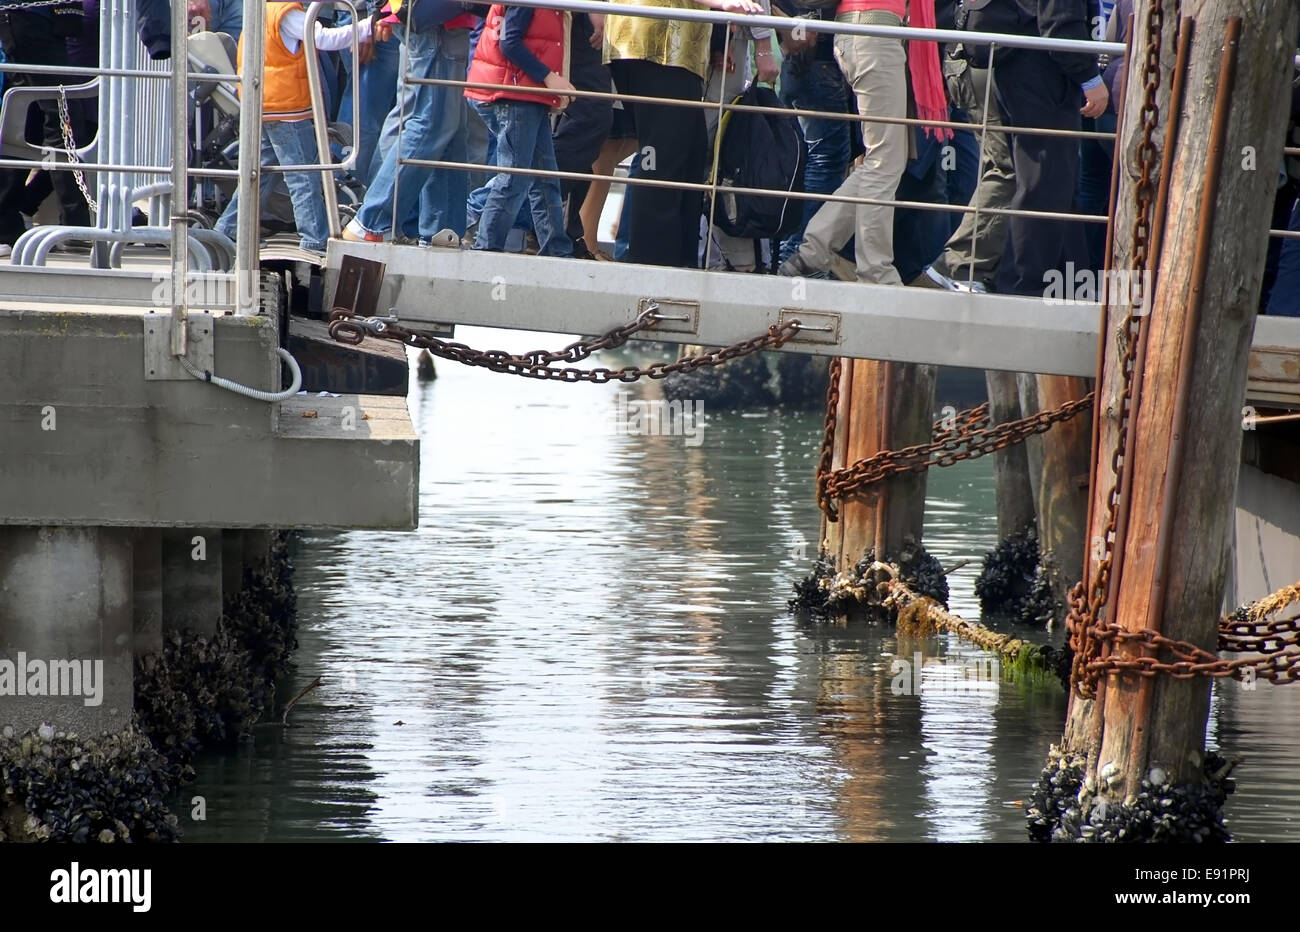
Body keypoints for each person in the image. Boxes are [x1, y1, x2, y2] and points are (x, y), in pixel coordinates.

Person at [779, 0, 950, 284]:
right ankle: (875, 272)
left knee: (883, 161)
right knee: (884, 161)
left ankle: (813, 251)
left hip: (871, 29)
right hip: (874, 30)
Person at [603, 0, 763, 269]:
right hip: (652, 43)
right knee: (661, 155)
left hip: (680, 50)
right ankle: (651, 262)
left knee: (688, 154)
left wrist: (718, 40)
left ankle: (678, 262)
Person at [215, 1, 378, 254]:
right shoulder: (287, 14)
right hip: (286, 110)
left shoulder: (262, 11)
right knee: (303, 176)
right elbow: (323, 38)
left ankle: (229, 227)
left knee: (262, 173)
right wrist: (367, 26)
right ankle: (314, 237)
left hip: (264, 105)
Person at [342, 0, 473, 245]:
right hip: (437, 21)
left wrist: (381, 10)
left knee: (446, 128)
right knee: (431, 124)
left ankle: (442, 234)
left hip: (432, 18)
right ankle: (372, 222)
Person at [463, 2, 575, 255]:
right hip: (515, 94)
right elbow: (509, 42)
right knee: (516, 178)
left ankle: (557, 249)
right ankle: (487, 246)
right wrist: (549, 77)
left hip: (522, 93)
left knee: (543, 178)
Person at [0, 0, 91, 258]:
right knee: (63, 119)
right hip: (29, 19)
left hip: (30, 20)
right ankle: (75, 227)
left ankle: (8, 222)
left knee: (30, 121)